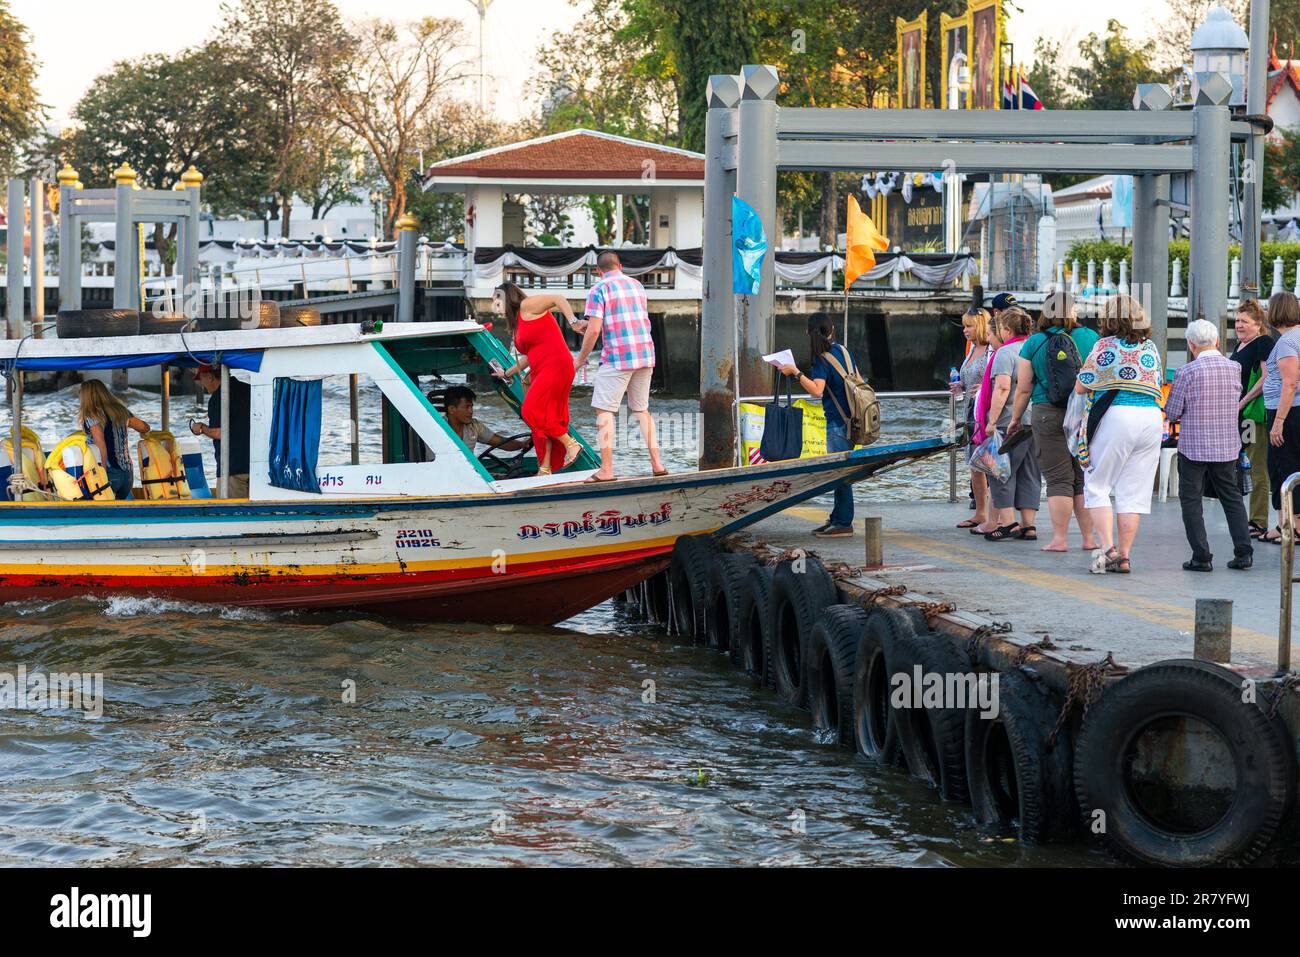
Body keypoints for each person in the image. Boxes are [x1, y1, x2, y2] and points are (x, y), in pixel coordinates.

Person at [1075, 295, 1164, 574]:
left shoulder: (1104, 346)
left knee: (1097, 485)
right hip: (1151, 419)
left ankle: (1108, 550)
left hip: (1117, 416)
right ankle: (1124, 556)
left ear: (1110, 319)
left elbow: (1081, 386)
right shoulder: (1150, 347)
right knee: (1133, 492)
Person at [1007, 291, 1099, 552]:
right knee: (1082, 477)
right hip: (1083, 413)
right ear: (1072, 311)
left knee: (1059, 478)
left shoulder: (1033, 342)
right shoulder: (1091, 337)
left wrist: (1015, 419)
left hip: (1047, 412)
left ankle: (1059, 539)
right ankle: (1089, 539)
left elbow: (1023, 388)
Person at [1163, 319, 1252, 572]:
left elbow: (1172, 411)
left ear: (1191, 344)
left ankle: (1201, 557)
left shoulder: (1186, 372)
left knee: (1191, 501)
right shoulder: (1233, 367)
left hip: (1193, 447)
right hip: (1226, 446)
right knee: (1231, 498)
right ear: (1216, 341)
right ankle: (1244, 553)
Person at [572, 252, 665, 481]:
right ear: (620, 266)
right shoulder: (636, 285)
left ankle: (607, 470)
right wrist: (591, 323)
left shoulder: (598, 289)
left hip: (618, 357)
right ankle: (658, 465)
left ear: (597, 271)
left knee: (604, 411)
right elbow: (623, 317)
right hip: (644, 354)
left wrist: (580, 359)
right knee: (641, 410)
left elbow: (594, 330)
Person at [779, 315, 861, 537]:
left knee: (840, 474)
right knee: (840, 472)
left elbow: (817, 390)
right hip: (854, 420)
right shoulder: (844, 351)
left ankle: (843, 522)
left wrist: (796, 373)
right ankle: (836, 518)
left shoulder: (820, 360)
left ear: (808, 333)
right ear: (831, 330)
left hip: (837, 423)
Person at [490, 283, 582, 476]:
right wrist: (507, 373)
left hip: (556, 366)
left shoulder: (528, 305)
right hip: (542, 369)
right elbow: (530, 356)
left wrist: (573, 322)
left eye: (496, 300)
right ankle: (545, 468)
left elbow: (558, 298)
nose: (494, 305)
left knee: (530, 410)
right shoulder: (519, 320)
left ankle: (571, 444)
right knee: (542, 421)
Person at [982, 306, 1039, 541]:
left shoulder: (1006, 353)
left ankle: (1008, 523)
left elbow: (1003, 387)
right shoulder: (1035, 348)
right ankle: (1028, 525)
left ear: (1006, 329)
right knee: (1030, 472)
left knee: (1000, 471)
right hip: (1034, 419)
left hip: (1009, 421)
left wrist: (991, 421)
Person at [1229, 298, 1276, 539]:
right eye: (1236, 320)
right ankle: (1246, 518)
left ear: (1258, 324)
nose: (1238, 325)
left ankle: (1258, 521)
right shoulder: (1238, 346)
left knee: (1258, 468)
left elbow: (1267, 377)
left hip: (1254, 414)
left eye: (1244, 321)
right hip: (1239, 414)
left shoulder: (1263, 343)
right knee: (1239, 465)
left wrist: (1244, 400)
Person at [1260, 290, 1300, 542]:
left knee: (1283, 467)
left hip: (1287, 411)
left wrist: (1278, 422)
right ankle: (1290, 525)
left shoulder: (1287, 342)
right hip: (1294, 410)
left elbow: (1290, 383)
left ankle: (1290, 526)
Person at [953, 306, 994, 533]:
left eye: (968, 326)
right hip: (970, 412)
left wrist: (985, 389)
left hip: (985, 413)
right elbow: (969, 382)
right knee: (974, 465)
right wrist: (959, 386)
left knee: (989, 465)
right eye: (964, 326)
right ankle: (981, 512)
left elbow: (1000, 379)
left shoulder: (990, 350)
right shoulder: (972, 349)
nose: (965, 330)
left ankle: (995, 514)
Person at [78, 379, 150, 499]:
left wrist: (103, 474)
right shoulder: (121, 411)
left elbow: (101, 444)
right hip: (127, 475)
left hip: (110, 473)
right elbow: (144, 427)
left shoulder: (92, 415)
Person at [191, 364, 251, 498]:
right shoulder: (247, 389)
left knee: (232, 516)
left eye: (201, 379)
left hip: (232, 469)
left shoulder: (218, 397)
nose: (201, 385)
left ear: (210, 377)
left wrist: (201, 428)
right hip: (256, 466)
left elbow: (219, 433)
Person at [441, 385, 529, 453]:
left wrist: (523, 444)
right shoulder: (438, 428)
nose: (471, 411)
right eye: (467, 407)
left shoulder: (474, 426)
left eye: (471, 407)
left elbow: (501, 442)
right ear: (452, 409)